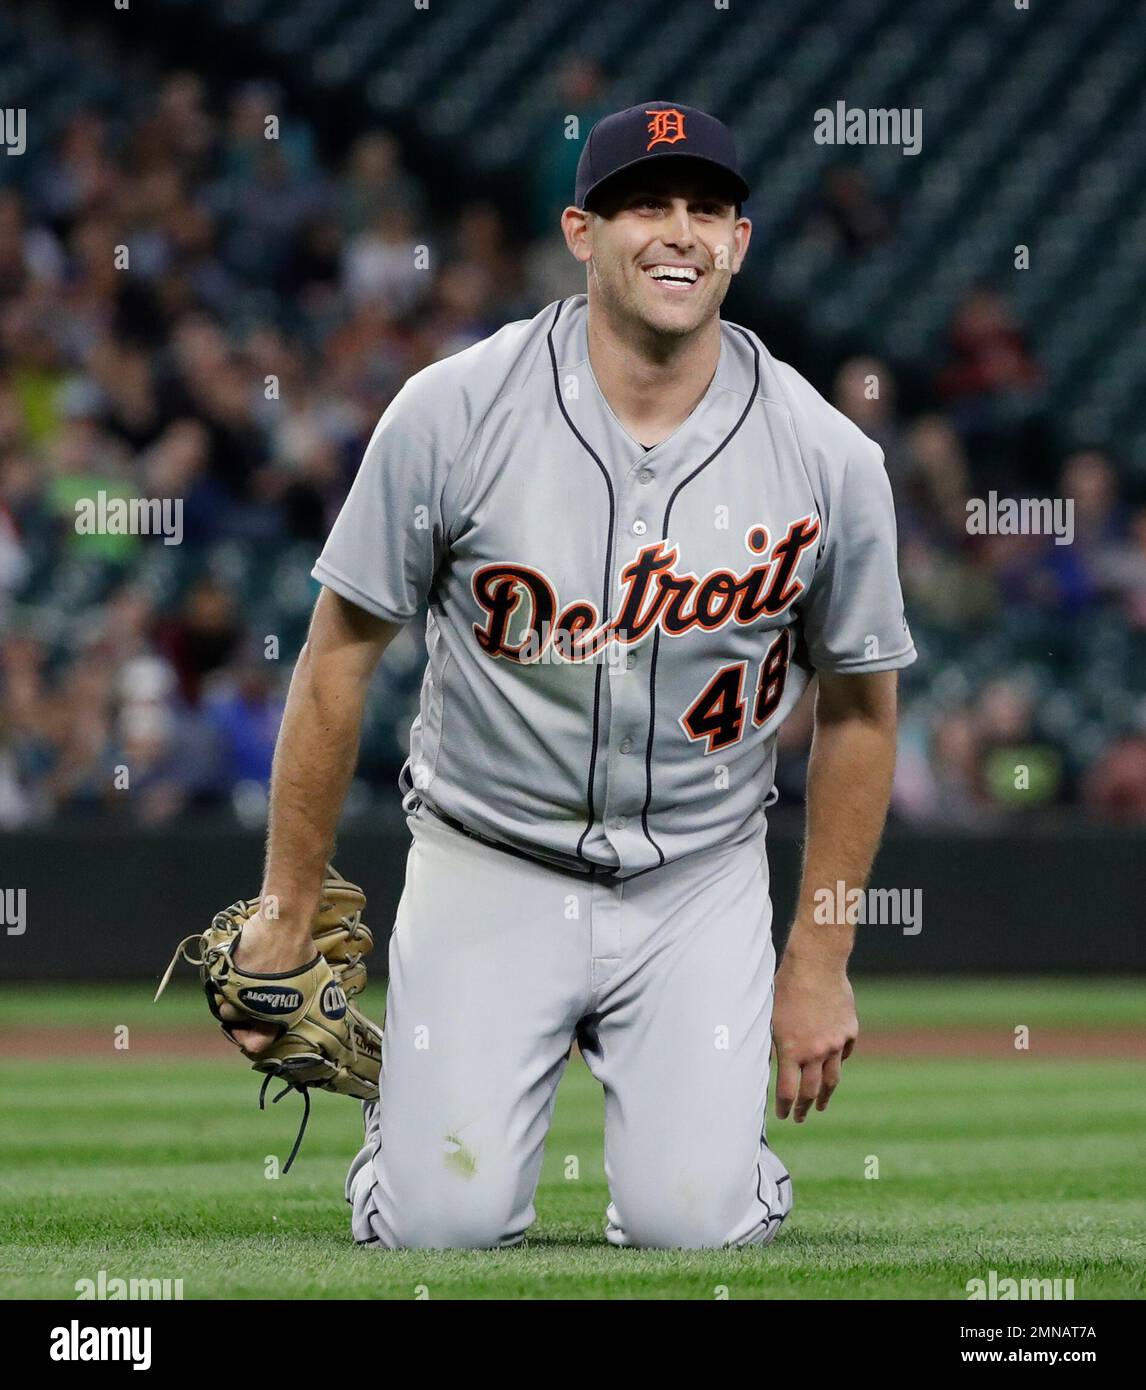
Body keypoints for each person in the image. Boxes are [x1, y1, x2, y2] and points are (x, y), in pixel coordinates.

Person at [220, 102, 916, 1249]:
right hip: (486, 858)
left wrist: (820, 956)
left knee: (692, 1224)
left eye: (707, 208)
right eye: (646, 204)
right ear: (581, 231)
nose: (678, 232)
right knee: (439, 1223)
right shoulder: (452, 412)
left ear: (741, 242)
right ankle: (405, 1154)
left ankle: (728, 1163)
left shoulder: (830, 457)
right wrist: (287, 906)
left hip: (698, 879)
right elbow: (340, 654)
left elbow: (862, 712)